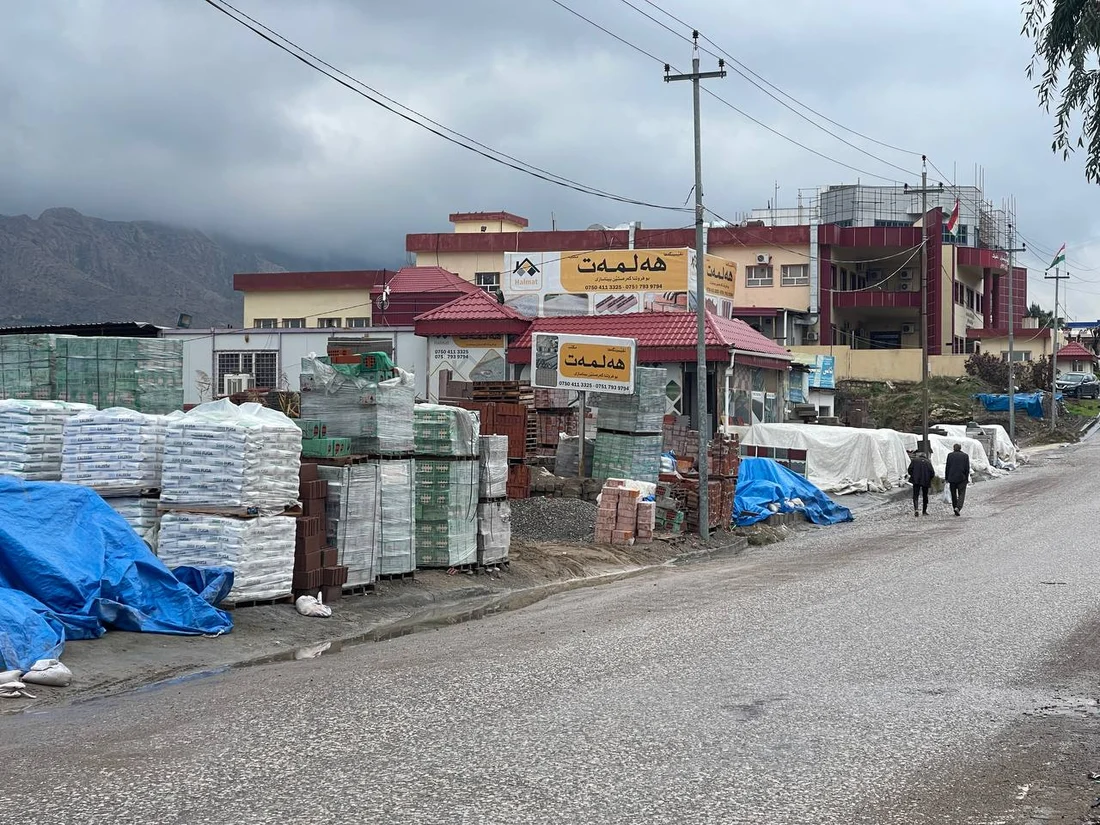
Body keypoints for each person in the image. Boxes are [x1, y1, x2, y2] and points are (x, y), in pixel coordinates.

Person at [945, 443, 970, 516]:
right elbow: (967, 468)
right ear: (960, 448)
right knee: (961, 494)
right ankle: (958, 507)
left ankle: (955, 507)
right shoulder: (965, 456)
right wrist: (966, 478)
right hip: (962, 478)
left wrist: (947, 477)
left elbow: (947, 467)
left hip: (952, 478)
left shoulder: (950, 455)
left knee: (953, 494)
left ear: (953, 448)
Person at [907, 450, 934, 517]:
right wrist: (929, 478)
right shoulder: (928, 462)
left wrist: (913, 475)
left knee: (915, 495)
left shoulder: (914, 460)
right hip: (925, 481)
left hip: (916, 480)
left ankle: (916, 509)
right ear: (925, 456)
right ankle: (924, 511)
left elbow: (909, 469)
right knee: (925, 496)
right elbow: (932, 473)